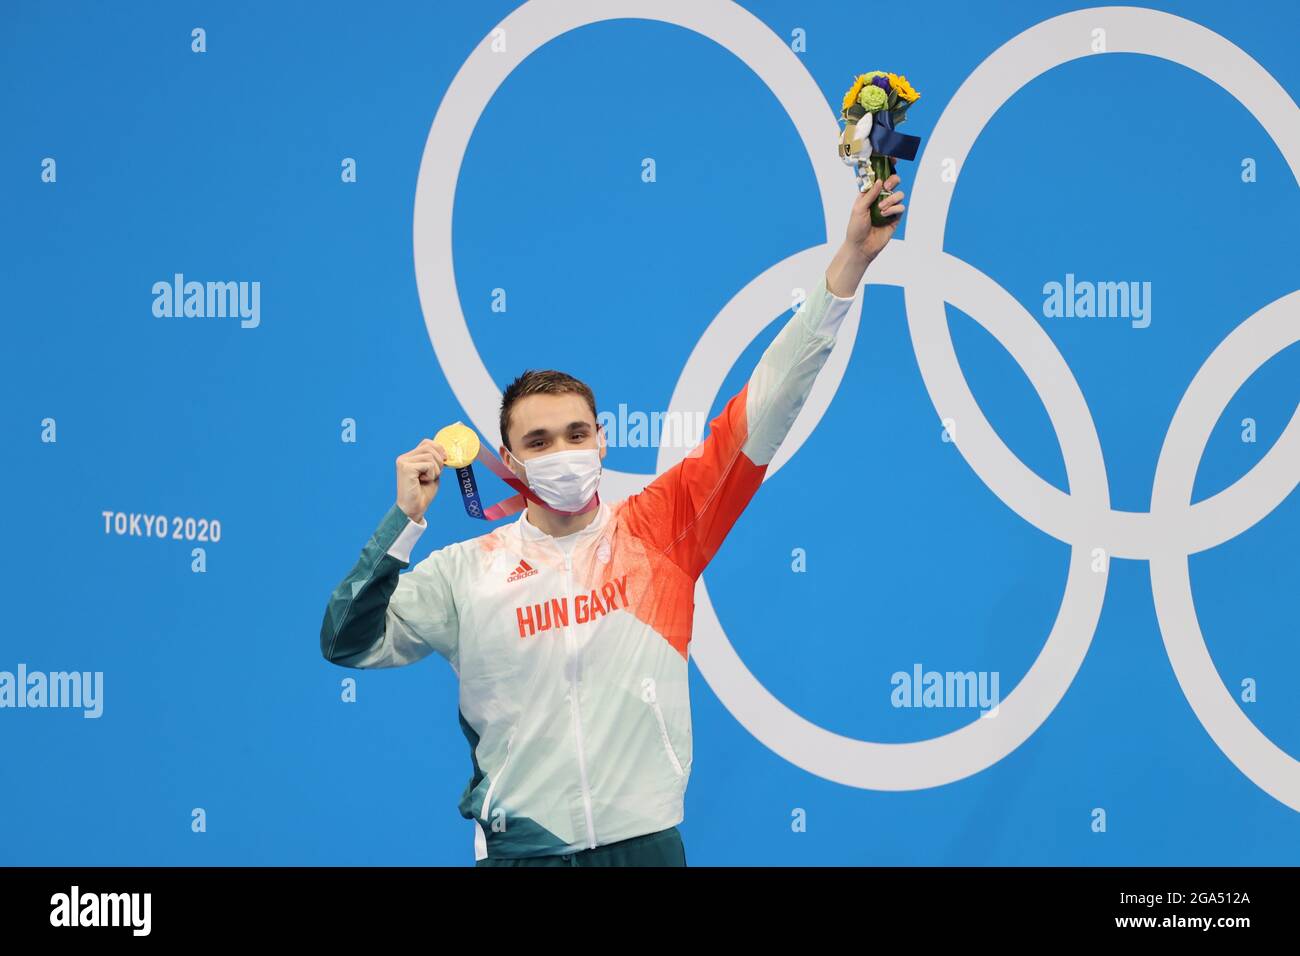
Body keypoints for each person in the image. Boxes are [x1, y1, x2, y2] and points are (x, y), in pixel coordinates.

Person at [319, 175, 907, 866]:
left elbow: (768, 403)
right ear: (508, 458)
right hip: (522, 855)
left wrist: (848, 265)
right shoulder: (462, 573)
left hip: (645, 849)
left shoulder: (664, 529)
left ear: (603, 440)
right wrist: (405, 524)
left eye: (575, 434)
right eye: (539, 442)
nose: (562, 452)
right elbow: (347, 643)